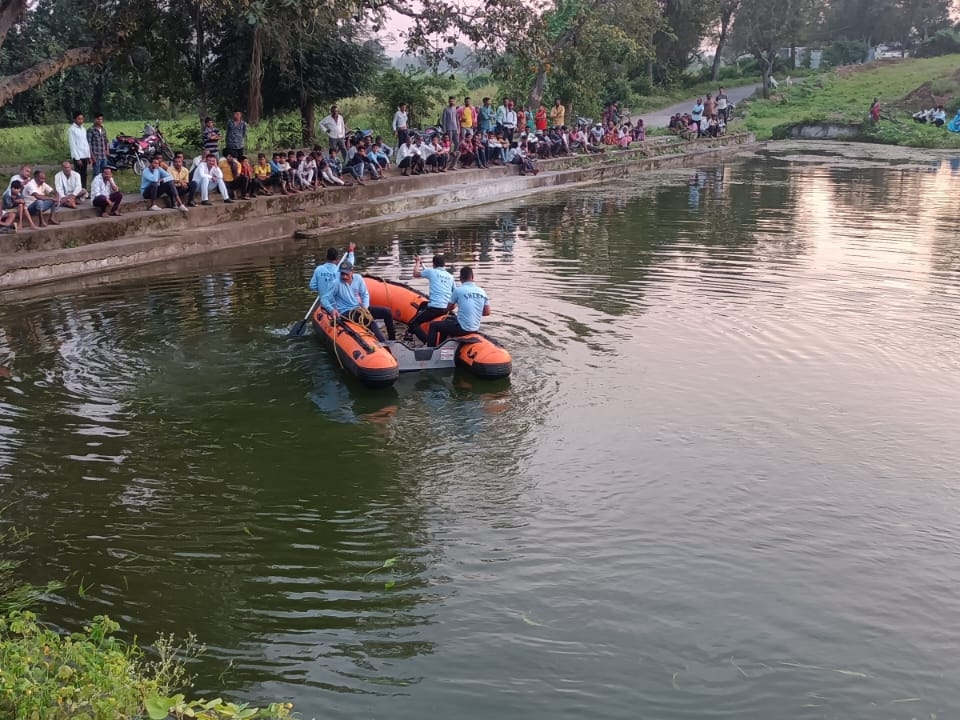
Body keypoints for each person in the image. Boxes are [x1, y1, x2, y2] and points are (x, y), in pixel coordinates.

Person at [320, 261, 397, 342]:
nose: (344, 277)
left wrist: (365, 307)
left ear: (352, 272)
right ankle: (384, 344)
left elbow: (365, 294)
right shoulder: (336, 283)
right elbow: (324, 299)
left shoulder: (358, 279)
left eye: (347, 274)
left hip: (359, 308)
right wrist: (331, 310)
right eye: (342, 274)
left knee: (387, 312)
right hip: (346, 312)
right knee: (370, 322)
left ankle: (392, 340)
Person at [427, 266, 490, 347]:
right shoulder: (482, 291)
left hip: (462, 329)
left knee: (433, 325)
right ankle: (442, 346)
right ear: (473, 277)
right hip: (475, 328)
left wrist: (456, 304)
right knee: (448, 321)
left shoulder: (458, 290)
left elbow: (448, 308)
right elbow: (487, 313)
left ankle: (431, 350)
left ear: (460, 278)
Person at [407, 254, 455, 342]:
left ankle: (426, 341)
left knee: (412, 323)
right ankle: (409, 333)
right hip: (446, 308)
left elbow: (415, 274)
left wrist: (417, 262)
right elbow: (454, 294)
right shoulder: (450, 276)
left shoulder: (431, 272)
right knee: (423, 304)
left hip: (435, 308)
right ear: (444, 265)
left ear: (433, 264)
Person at [68, 111, 92, 190]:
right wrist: (77, 158)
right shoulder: (72, 129)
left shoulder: (83, 129)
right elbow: (73, 145)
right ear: (74, 119)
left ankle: (84, 191)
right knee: (78, 175)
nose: (81, 121)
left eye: (82, 119)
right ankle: (77, 192)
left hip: (84, 155)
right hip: (78, 156)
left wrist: (88, 156)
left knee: (84, 174)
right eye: (79, 119)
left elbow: (85, 143)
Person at [87, 112, 109, 177]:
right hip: (96, 156)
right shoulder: (91, 130)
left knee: (104, 173)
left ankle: (102, 187)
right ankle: (94, 186)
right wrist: (92, 156)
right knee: (96, 174)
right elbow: (89, 144)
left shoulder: (103, 129)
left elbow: (106, 141)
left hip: (103, 156)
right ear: (94, 119)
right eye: (98, 119)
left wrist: (107, 150)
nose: (100, 121)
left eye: (101, 119)